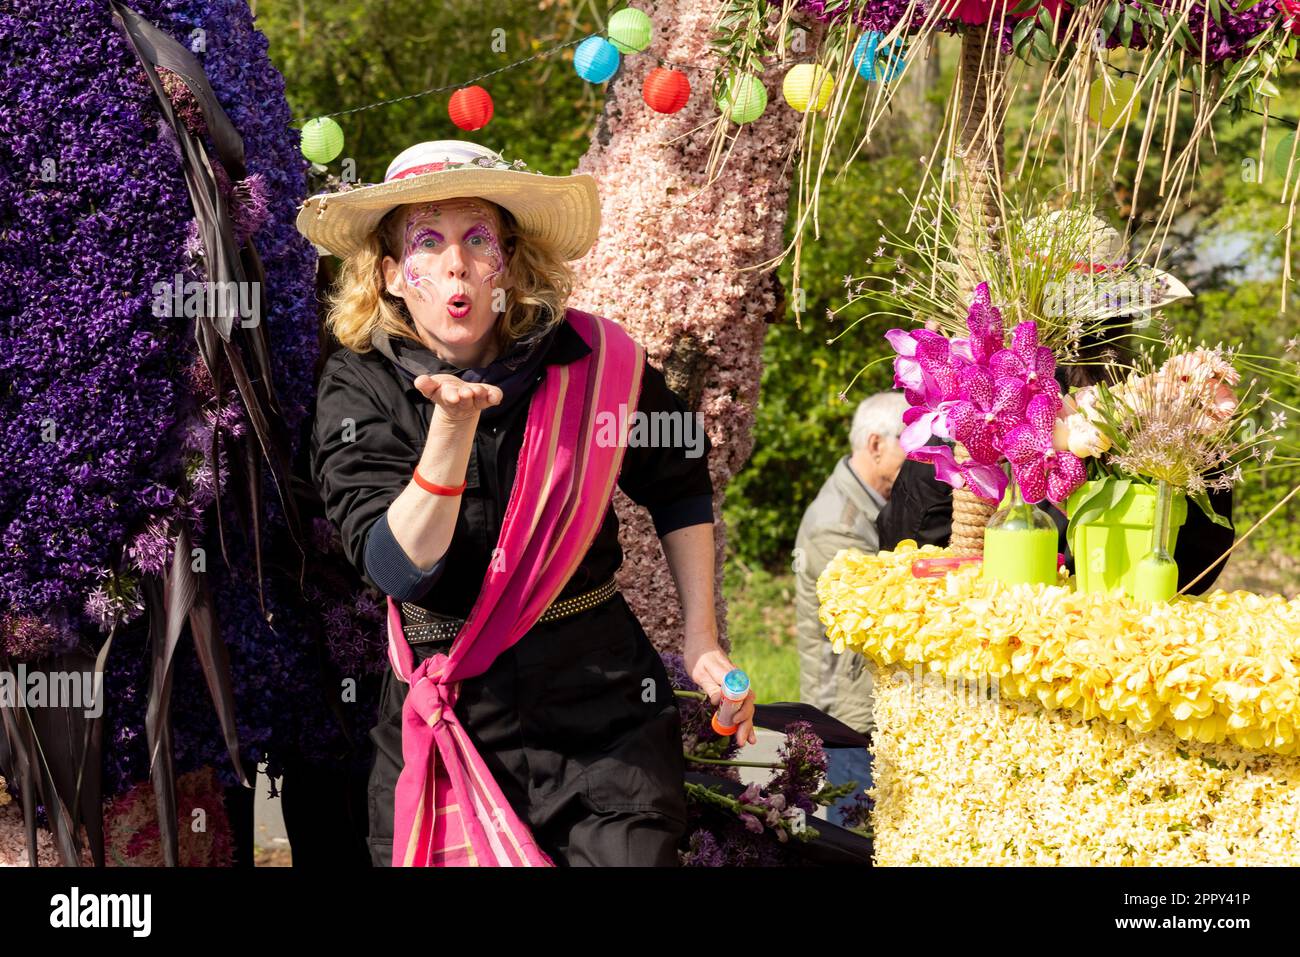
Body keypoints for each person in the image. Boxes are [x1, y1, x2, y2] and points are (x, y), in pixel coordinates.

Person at [299, 140, 756, 867]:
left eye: (478, 238)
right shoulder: (357, 387)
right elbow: (396, 567)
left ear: (506, 264)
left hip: (603, 718)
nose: (456, 263)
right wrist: (450, 429)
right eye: (428, 241)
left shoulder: (597, 363)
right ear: (391, 275)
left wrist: (702, 637)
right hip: (447, 715)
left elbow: (679, 483)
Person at [877, 212, 1235, 591]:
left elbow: (903, 541)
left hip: (988, 629)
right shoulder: (1166, 413)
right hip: (1114, 637)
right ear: (1120, 318)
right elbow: (1198, 568)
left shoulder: (978, 400)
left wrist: (953, 409)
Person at [794, 392, 908, 826]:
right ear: (876, 444)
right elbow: (879, 616)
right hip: (847, 720)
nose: (922, 456)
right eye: (911, 442)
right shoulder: (837, 525)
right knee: (856, 838)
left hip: (861, 707)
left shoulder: (867, 505)